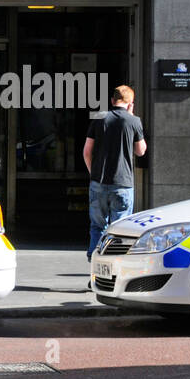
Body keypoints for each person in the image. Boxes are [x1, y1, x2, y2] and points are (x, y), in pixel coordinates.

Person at [83, 84, 147, 259]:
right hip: (123, 184)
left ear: (112, 100)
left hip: (98, 182)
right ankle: (114, 266)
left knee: (97, 226)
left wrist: (93, 173)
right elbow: (141, 151)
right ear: (130, 103)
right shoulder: (134, 121)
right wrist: (132, 117)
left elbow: (87, 151)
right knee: (121, 230)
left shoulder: (99, 117)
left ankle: (95, 263)